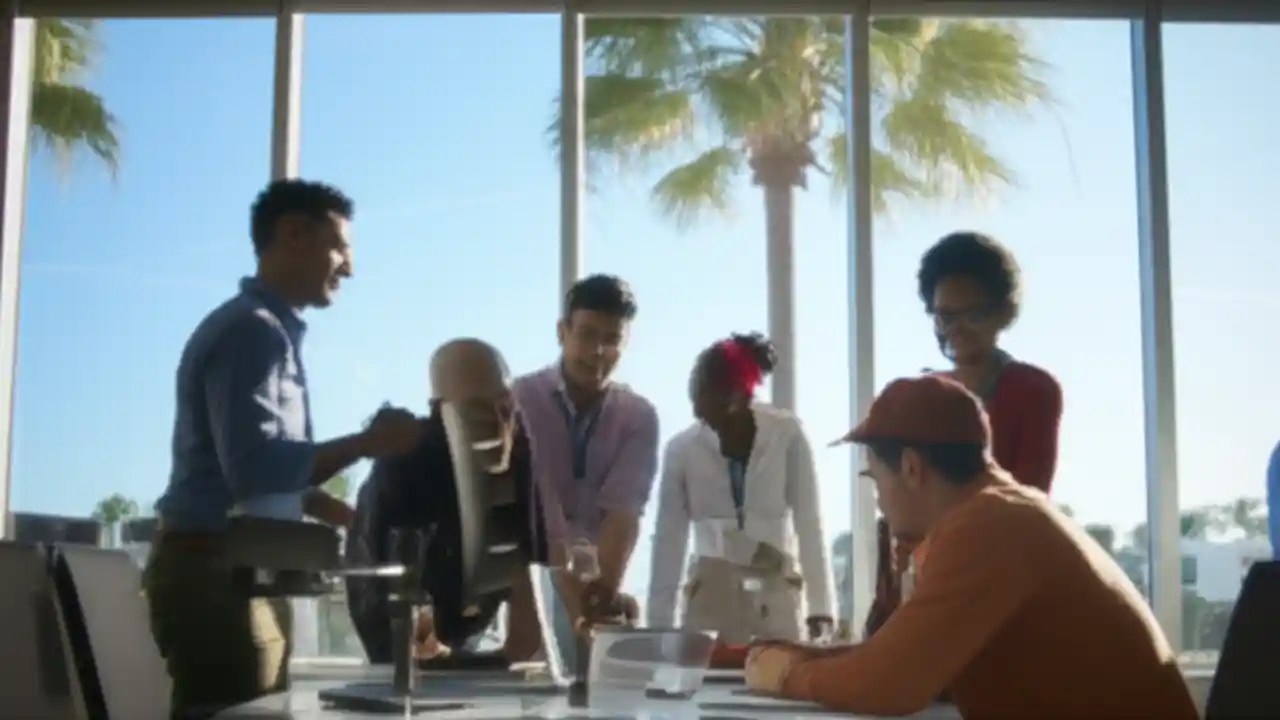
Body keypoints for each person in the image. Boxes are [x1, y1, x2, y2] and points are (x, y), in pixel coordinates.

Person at [745, 375, 1197, 720]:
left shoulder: (988, 526)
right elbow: (909, 661)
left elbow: (888, 684)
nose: (879, 500)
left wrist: (786, 676)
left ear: (910, 467)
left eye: (874, 479)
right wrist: (811, 658)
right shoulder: (1007, 511)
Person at [145, 179, 425, 718]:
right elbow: (255, 470)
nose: (349, 267)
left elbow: (268, 476)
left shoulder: (266, 331)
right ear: (295, 234)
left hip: (235, 570)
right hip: (216, 574)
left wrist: (348, 516)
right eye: (341, 247)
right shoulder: (253, 333)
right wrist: (372, 442)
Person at [869, 232, 1067, 635]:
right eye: (944, 317)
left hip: (1000, 580)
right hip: (925, 583)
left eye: (972, 316)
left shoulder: (1032, 389)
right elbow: (898, 509)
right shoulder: (921, 394)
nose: (956, 330)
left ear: (1002, 314)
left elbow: (1027, 498)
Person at [345, 338, 548, 665]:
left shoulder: (522, 460)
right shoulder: (403, 467)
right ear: (441, 411)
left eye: (506, 407)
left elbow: (528, 625)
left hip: (467, 623)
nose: (497, 424)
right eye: (478, 410)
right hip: (393, 622)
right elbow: (390, 618)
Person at [647, 333, 835, 647]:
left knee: (778, 680)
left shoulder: (786, 434)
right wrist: (658, 629)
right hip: (710, 599)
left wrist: (821, 609)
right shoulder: (681, 450)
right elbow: (669, 540)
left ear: (743, 397)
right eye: (704, 417)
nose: (715, 429)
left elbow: (809, 522)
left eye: (723, 415)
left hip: (775, 595)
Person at [512, 274, 658, 668]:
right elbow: (540, 507)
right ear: (562, 332)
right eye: (588, 334)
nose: (597, 350)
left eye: (612, 339)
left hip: (596, 578)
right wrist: (577, 606)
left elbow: (624, 511)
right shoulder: (519, 400)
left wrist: (601, 599)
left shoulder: (639, 416)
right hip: (528, 581)